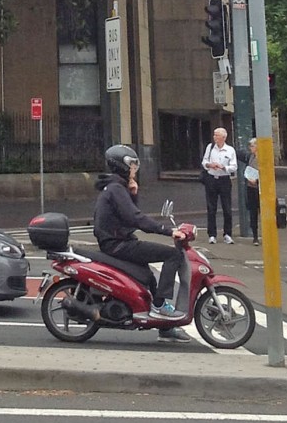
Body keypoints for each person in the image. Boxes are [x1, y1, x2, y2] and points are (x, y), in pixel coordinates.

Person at [93, 145, 189, 328]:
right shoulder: (115, 189)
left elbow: (128, 214)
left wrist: (134, 193)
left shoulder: (116, 187)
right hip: (117, 244)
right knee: (172, 255)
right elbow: (136, 218)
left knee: (147, 276)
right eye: (132, 165)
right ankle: (160, 305)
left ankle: (164, 327)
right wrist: (168, 231)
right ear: (122, 165)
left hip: (118, 241)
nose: (134, 169)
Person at [201, 126, 238, 243]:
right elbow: (204, 161)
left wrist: (224, 167)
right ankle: (212, 234)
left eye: (216, 135)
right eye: (214, 135)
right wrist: (209, 165)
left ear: (223, 137)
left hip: (224, 180)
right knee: (211, 208)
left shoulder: (230, 150)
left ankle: (227, 234)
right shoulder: (210, 147)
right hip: (211, 178)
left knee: (227, 208)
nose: (214, 137)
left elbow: (234, 166)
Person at [244, 137, 261, 244]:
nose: (251, 148)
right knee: (253, 212)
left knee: (263, 211)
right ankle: (255, 236)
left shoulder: (262, 157)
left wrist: (257, 180)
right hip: (251, 187)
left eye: (252, 146)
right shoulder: (251, 157)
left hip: (260, 187)